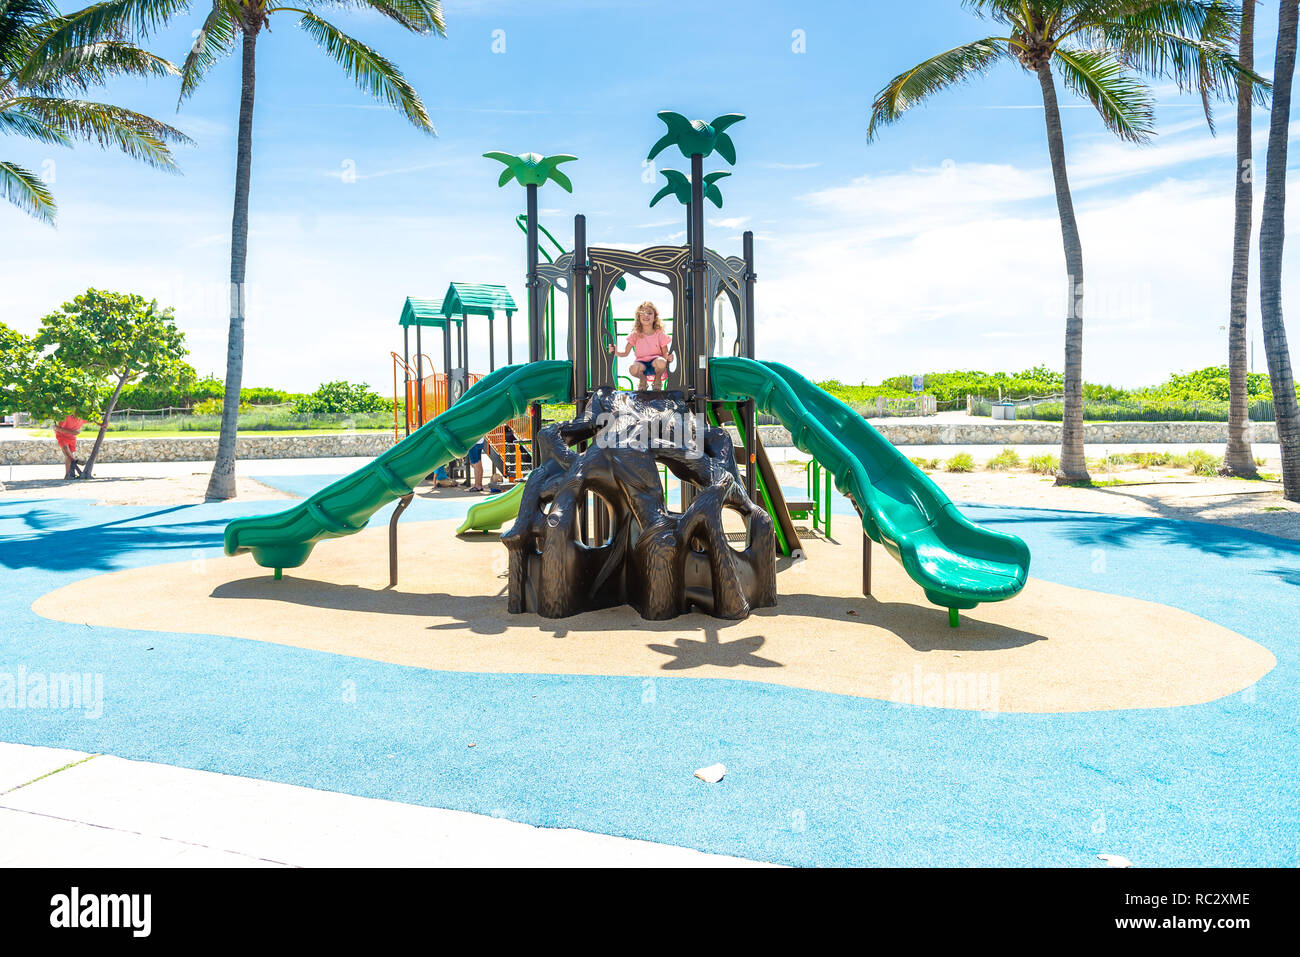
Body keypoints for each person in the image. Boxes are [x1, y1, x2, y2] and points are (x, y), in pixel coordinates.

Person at [608, 301, 673, 390]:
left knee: (662, 361)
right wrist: (615, 351)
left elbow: (665, 353)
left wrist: (669, 357)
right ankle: (643, 380)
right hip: (641, 364)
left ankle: (657, 380)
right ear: (638, 317)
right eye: (642, 313)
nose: (646, 315)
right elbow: (625, 353)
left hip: (656, 363)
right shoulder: (635, 334)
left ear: (655, 317)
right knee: (633, 369)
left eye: (649, 313)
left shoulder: (659, 334)